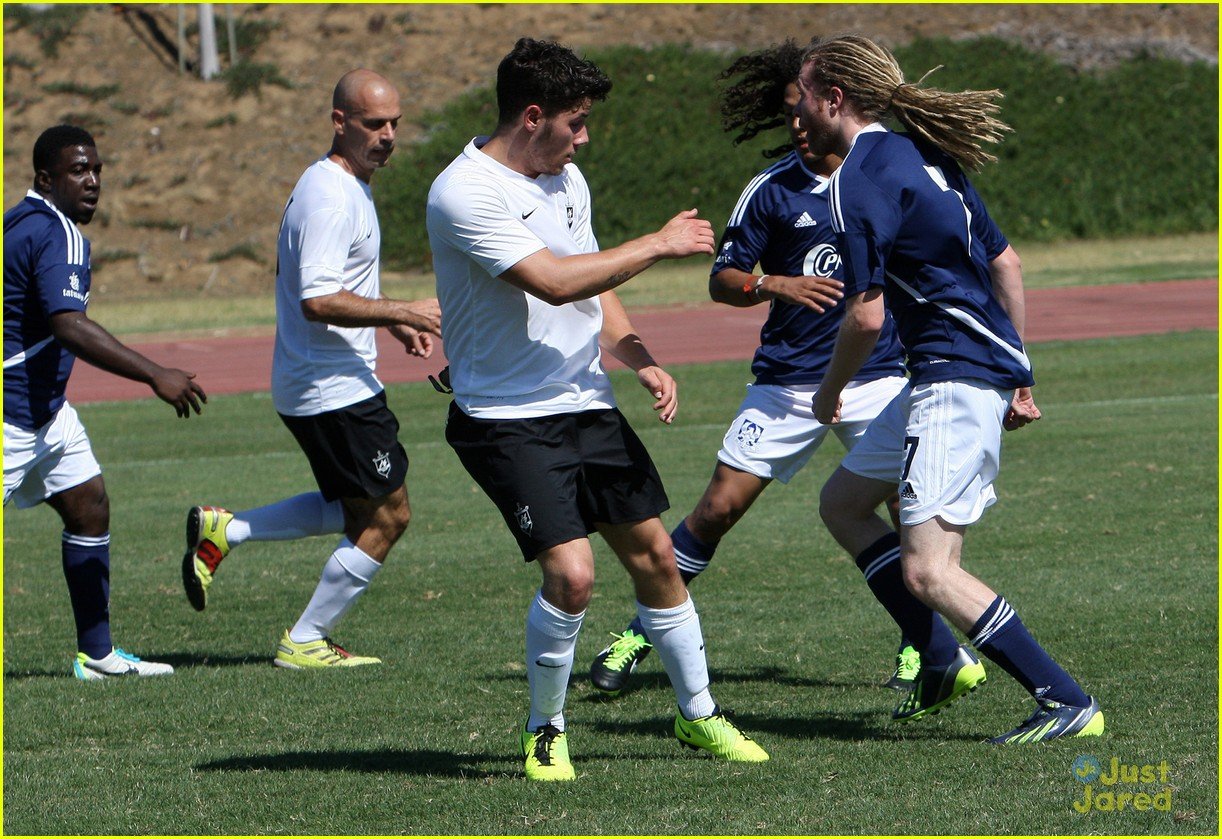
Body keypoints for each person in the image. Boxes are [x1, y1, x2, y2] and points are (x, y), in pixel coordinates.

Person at [426, 37, 768, 781]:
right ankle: (545, 730)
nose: (584, 139)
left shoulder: (566, 179)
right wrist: (661, 242)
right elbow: (551, 280)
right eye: (574, 123)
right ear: (532, 114)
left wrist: (638, 356)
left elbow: (590, 278)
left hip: (587, 403)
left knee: (656, 559)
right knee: (574, 576)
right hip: (505, 418)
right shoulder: (464, 191)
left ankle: (699, 715)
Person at [589, 40, 937, 698]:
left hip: (880, 374)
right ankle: (641, 629)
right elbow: (722, 279)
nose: (797, 125)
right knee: (716, 509)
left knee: (906, 513)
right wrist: (774, 282)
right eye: (787, 114)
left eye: (803, 110)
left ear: (835, 104)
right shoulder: (774, 189)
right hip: (788, 382)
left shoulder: (888, 174)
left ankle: (923, 644)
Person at [799, 34, 1103, 743]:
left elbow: (866, 314)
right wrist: (1020, 374)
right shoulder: (923, 151)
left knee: (930, 570)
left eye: (805, 94)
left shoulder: (854, 181)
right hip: (965, 369)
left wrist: (827, 390)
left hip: (950, 377)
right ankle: (938, 657)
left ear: (834, 99)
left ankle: (1065, 699)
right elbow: (1008, 264)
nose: (800, 108)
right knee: (843, 503)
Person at [181, 70, 441, 669]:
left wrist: (390, 322)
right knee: (388, 514)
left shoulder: (347, 186)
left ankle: (227, 531)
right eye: (374, 124)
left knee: (354, 506)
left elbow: (335, 287)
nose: (388, 135)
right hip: (331, 388)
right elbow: (317, 299)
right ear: (339, 121)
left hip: (322, 381)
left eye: (395, 123)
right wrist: (403, 309)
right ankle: (304, 640)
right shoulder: (329, 195)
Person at [4, 124, 206, 681]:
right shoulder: (56, 233)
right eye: (78, 170)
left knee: (89, 504)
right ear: (45, 178)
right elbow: (69, 325)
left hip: (45, 415)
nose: (92, 181)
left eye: (96, 169)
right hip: (11, 417)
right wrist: (154, 374)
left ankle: (97, 655)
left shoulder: (22, 221)